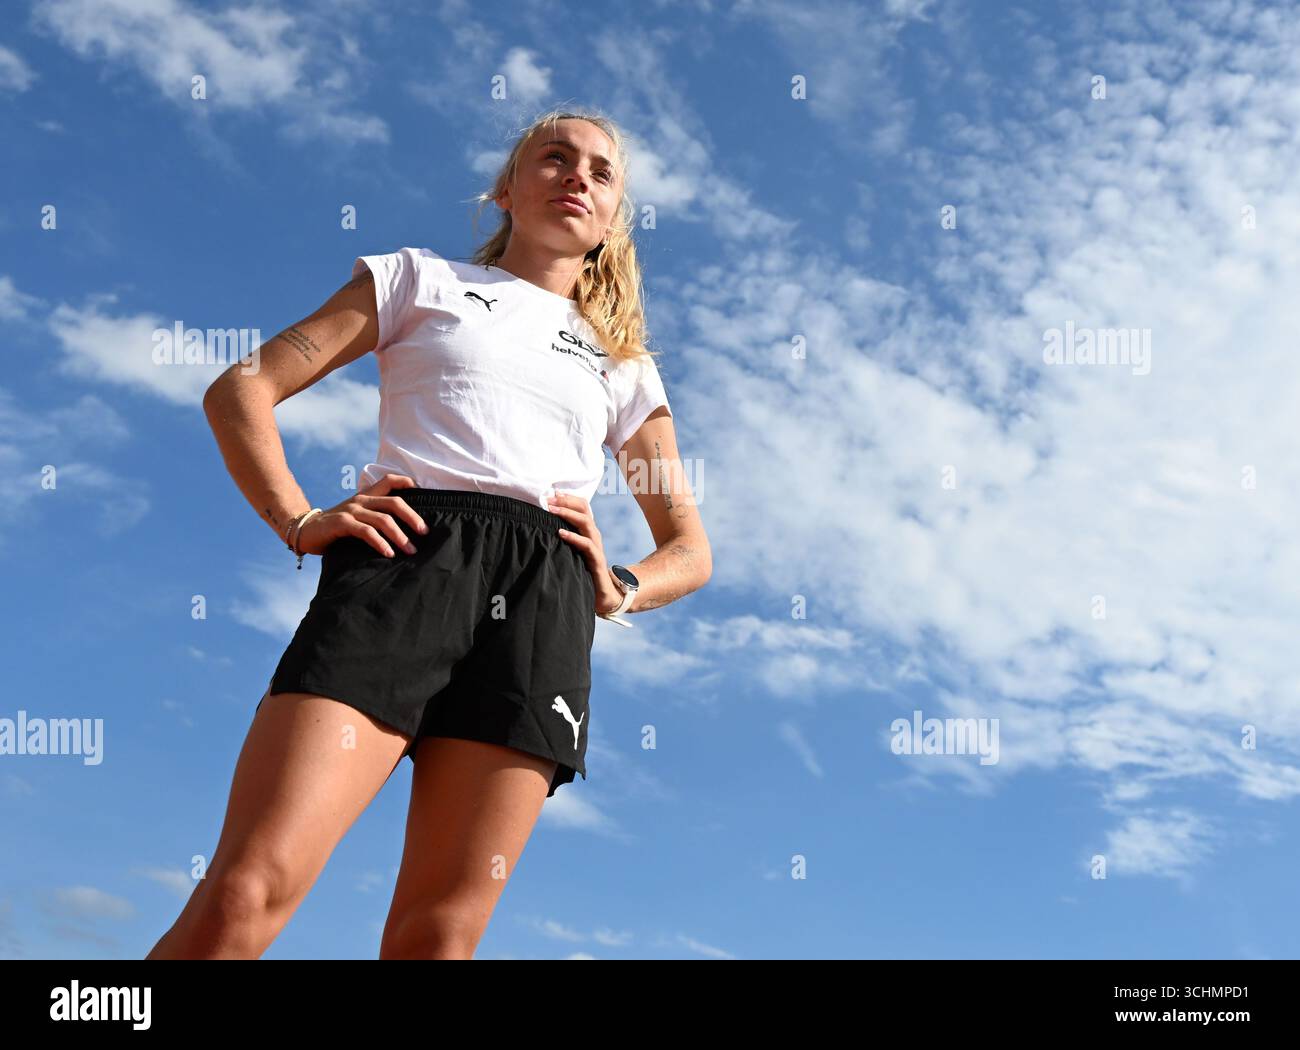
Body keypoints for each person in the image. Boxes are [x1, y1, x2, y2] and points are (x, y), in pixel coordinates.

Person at [146, 109, 711, 960]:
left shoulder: (623, 363)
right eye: (554, 158)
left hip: (542, 603)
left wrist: (622, 584)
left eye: (600, 173)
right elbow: (242, 389)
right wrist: (298, 519)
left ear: (611, 220)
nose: (577, 177)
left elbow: (690, 548)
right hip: (405, 561)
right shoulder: (417, 280)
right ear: (506, 190)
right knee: (244, 893)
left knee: (437, 941)